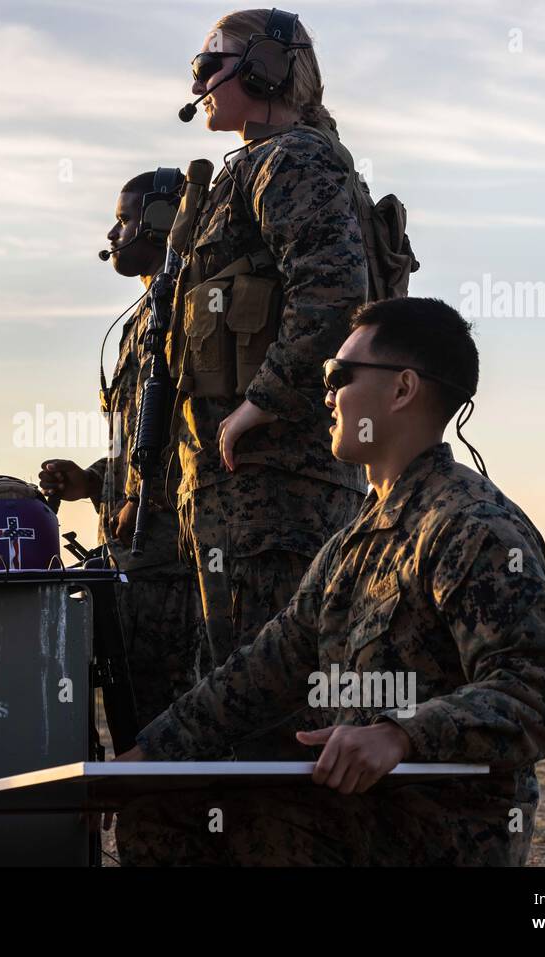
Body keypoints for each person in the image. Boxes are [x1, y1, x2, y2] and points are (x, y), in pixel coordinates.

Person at [116, 298, 545, 866]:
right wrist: (145, 758)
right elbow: (263, 670)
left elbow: (539, 693)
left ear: (403, 388)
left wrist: (401, 735)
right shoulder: (355, 538)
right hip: (360, 812)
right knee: (158, 807)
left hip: (438, 829)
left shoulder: (472, 527)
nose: (326, 395)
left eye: (339, 375)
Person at [157, 8, 370, 682]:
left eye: (208, 64)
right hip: (235, 486)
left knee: (269, 676)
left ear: (265, 68)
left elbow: (333, 296)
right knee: (230, 672)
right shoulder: (244, 171)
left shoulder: (294, 160)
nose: (200, 82)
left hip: (277, 482)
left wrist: (262, 404)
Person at [39, 170, 204, 732]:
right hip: (132, 548)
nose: (114, 232)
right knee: (129, 703)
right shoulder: (144, 319)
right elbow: (141, 439)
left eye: (126, 217)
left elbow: (190, 432)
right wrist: (91, 481)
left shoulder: (189, 309)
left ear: (161, 221)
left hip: (165, 555)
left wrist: (142, 495)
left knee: (160, 710)